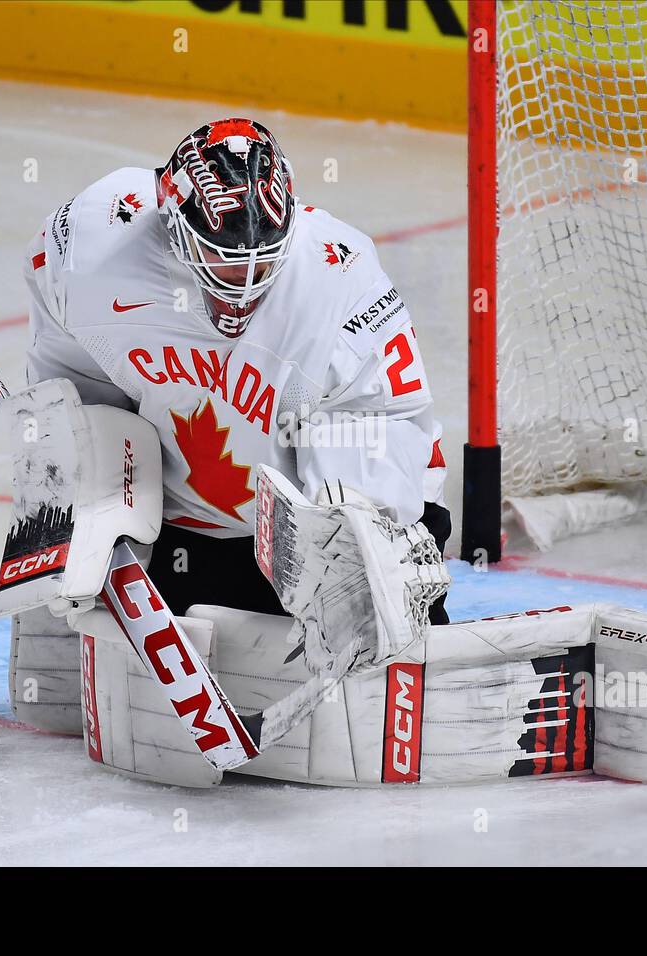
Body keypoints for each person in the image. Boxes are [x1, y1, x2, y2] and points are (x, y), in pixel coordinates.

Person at [23, 117, 450, 623]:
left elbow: (380, 423)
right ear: (172, 223)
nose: (243, 284)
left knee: (367, 662)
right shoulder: (96, 245)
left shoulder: (337, 277)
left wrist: (352, 566)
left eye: (263, 262)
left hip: (331, 528)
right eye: (222, 259)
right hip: (183, 537)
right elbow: (76, 392)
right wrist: (83, 513)